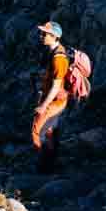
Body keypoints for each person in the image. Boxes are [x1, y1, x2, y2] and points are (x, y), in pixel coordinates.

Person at [31, 21, 70, 172]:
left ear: (54, 36)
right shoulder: (52, 51)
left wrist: (43, 106)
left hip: (55, 102)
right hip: (54, 100)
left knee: (37, 131)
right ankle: (51, 165)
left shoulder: (58, 58)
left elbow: (56, 86)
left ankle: (44, 167)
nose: (41, 36)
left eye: (44, 34)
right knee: (50, 132)